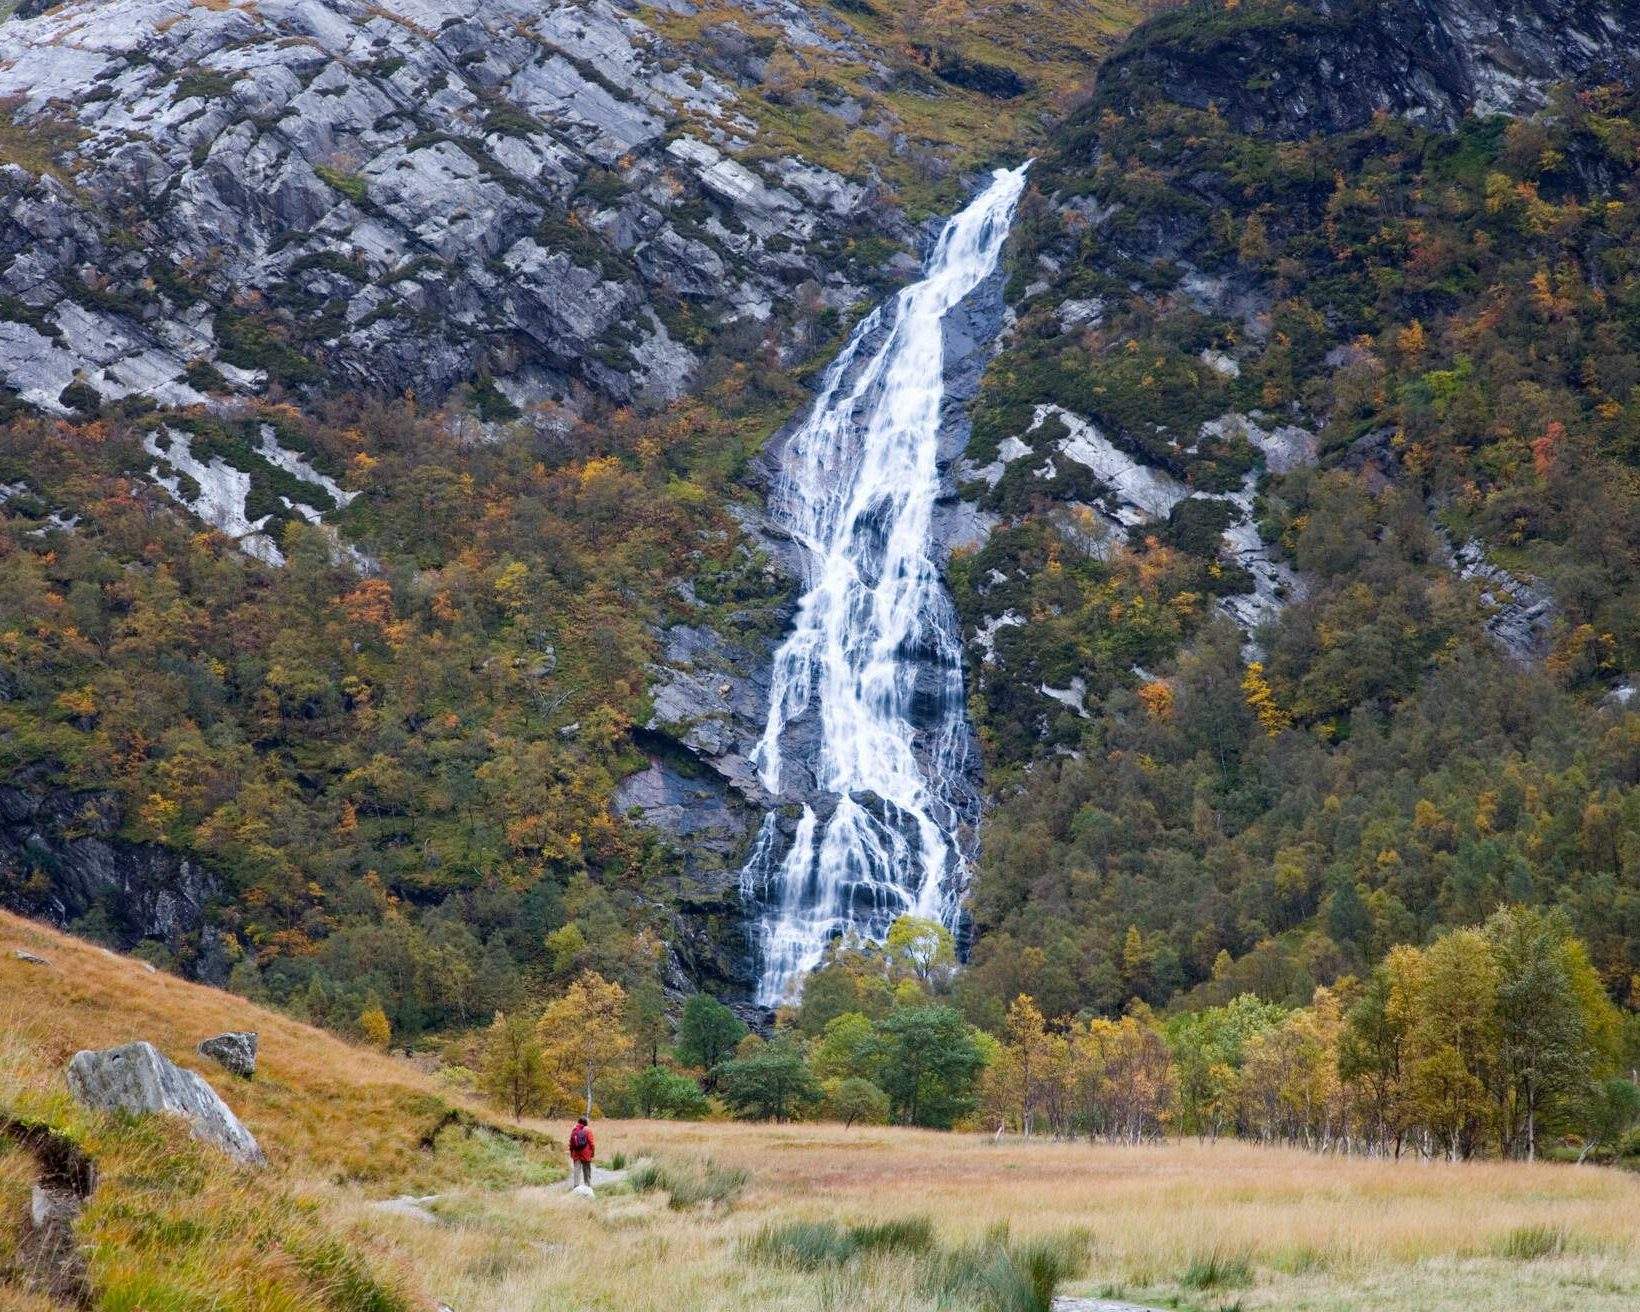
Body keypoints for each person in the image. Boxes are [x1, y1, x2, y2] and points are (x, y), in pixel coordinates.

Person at [568, 1115, 595, 1188]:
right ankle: (588, 1185)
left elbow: (571, 1143)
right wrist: (592, 1152)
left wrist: (571, 1152)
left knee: (577, 1170)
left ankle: (576, 1186)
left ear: (579, 1122)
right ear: (586, 1122)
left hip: (576, 1153)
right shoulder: (588, 1130)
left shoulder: (575, 1129)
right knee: (586, 1170)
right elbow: (591, 1143)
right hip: (586, 1154)